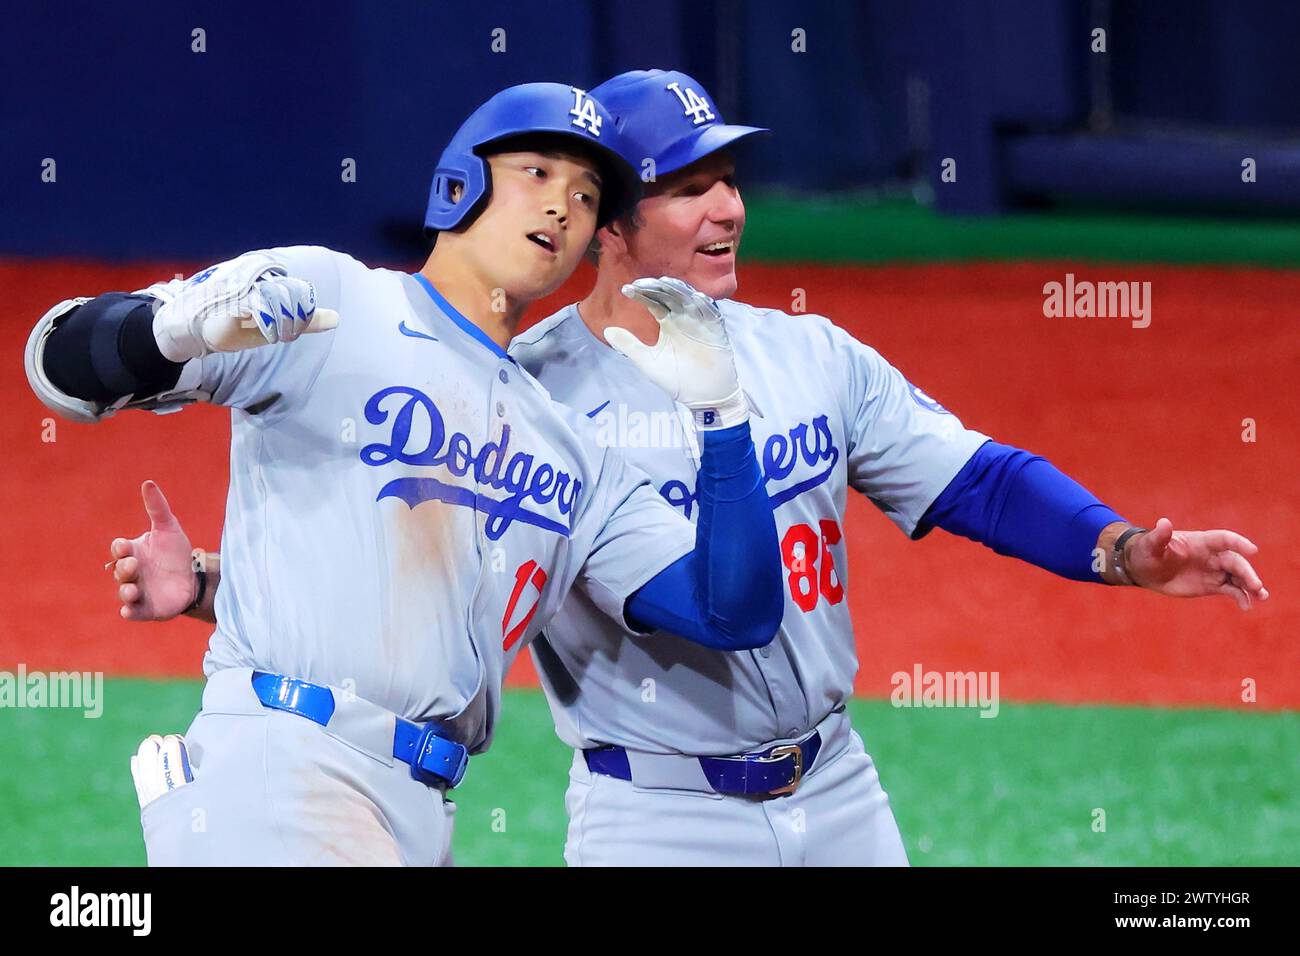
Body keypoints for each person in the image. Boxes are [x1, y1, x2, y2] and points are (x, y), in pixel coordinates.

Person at [113, 70, 1270, 867]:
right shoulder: (527, 399)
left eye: (729, 179)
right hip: (651, 813)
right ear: (608, 225)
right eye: (686, 186)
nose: (728, 207)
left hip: (837, 783)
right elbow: (442, 569)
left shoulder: (805, 351)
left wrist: (1120, 548)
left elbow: (973, 476)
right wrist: (225, 585)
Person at [24, 81, 784, 866]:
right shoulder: (334, 298)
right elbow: (59, 366)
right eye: (536, 173)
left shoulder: (572, 450)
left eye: (586, 194)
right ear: (462, 184)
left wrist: (723, 417)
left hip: (422, 812)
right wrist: (174, 329)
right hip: (284, 772)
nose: (562, 206)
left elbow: (735, 612)